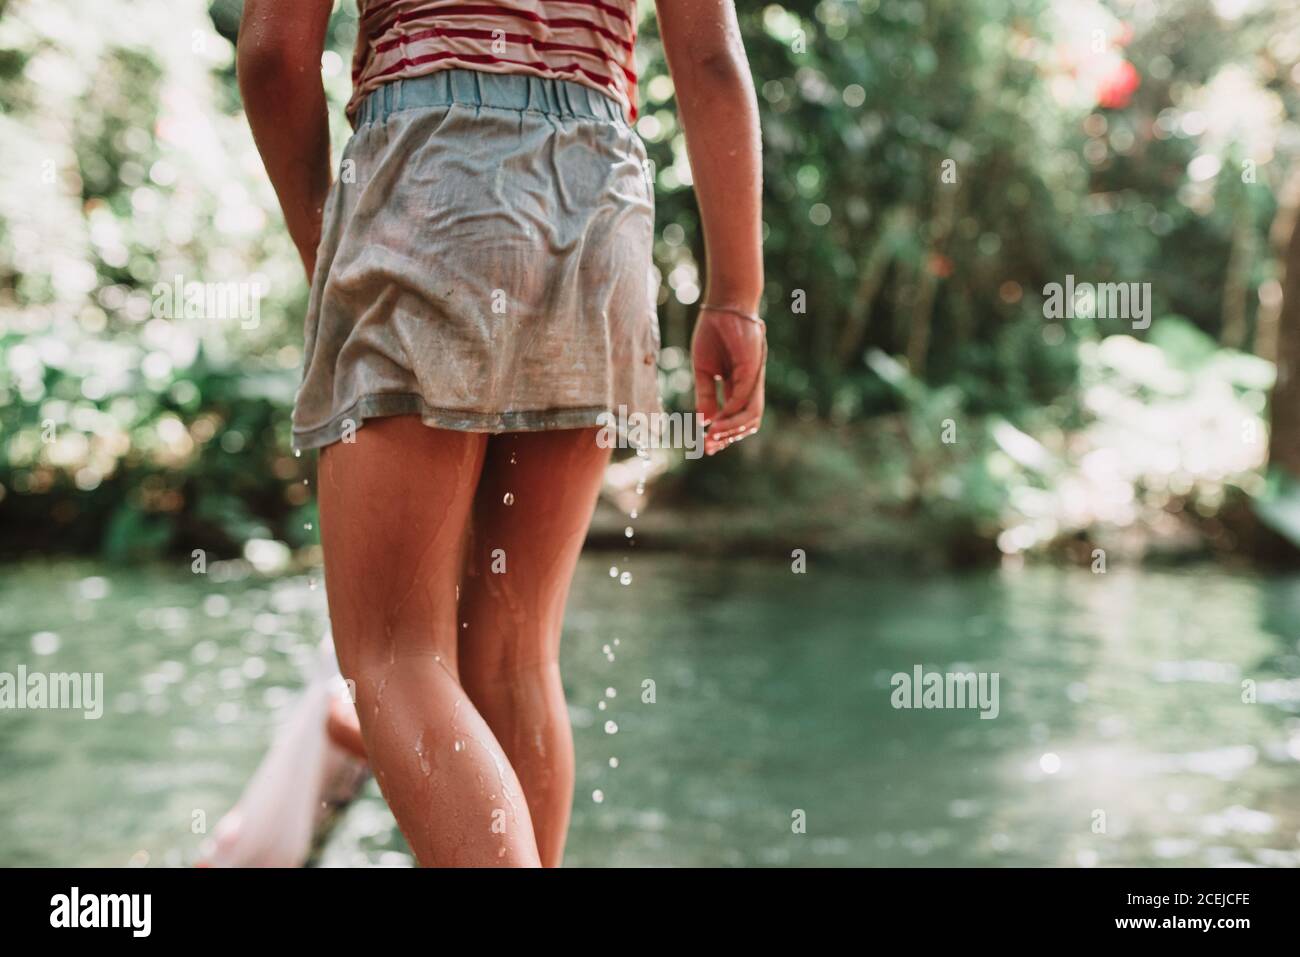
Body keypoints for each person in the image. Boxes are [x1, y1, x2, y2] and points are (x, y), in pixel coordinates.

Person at [236, 0, 765, 866]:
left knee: (394, 656)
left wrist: (321, 237)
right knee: (516, 655)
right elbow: (708, 59)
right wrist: (736, 297)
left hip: (426, 174)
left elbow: (271, 54)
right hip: (599, 195)